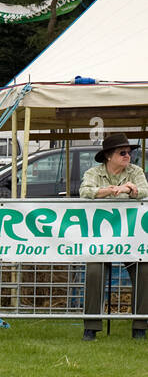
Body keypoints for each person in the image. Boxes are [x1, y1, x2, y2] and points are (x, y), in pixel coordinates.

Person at [78, 133, 147, 340]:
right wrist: (107, 191)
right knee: (94, 270)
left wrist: (128, 189)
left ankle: (140, 327)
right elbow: (84, 191)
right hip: (101, 236)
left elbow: (144, 190)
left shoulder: (136, 171)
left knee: (145, 269)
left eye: (130, 152)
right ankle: (91, 326)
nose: (128, 156)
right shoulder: (93, 173)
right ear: (109, 156)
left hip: (131, 236)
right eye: (122, 152)